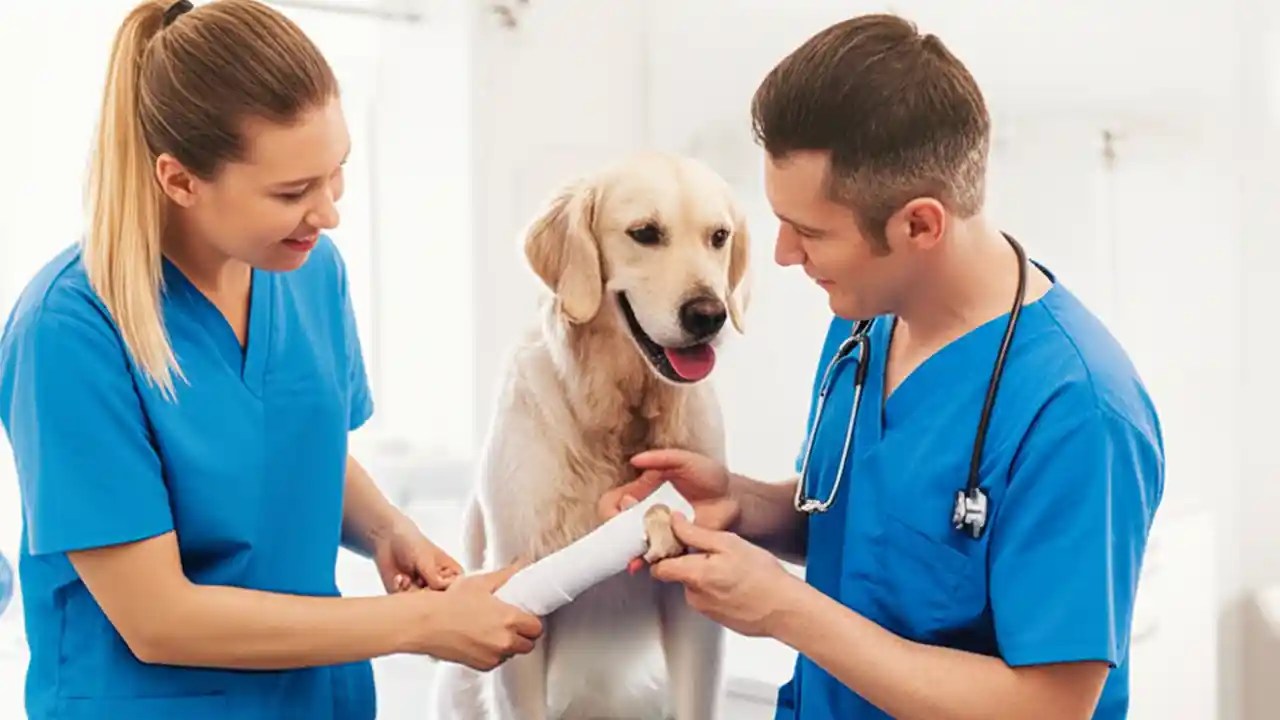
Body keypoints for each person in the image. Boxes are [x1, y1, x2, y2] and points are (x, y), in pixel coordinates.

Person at [602, 13, 1164, 720]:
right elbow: (874, 535)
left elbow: (1048, 707)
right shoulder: (863, 322)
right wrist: (745, 505)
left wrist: (785, 610)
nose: (780, 255)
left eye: (809, 232)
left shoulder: (1078, 411)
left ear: (920, 225)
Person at [0, 1, 541, 718]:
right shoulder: (70, 330)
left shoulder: (309, 271)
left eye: (336, 173)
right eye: (292, 192)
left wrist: (387, 530)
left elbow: (297, 442)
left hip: (316, 696)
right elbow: (157, 617)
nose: (328, 212)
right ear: (180, 180)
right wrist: (422, 625)